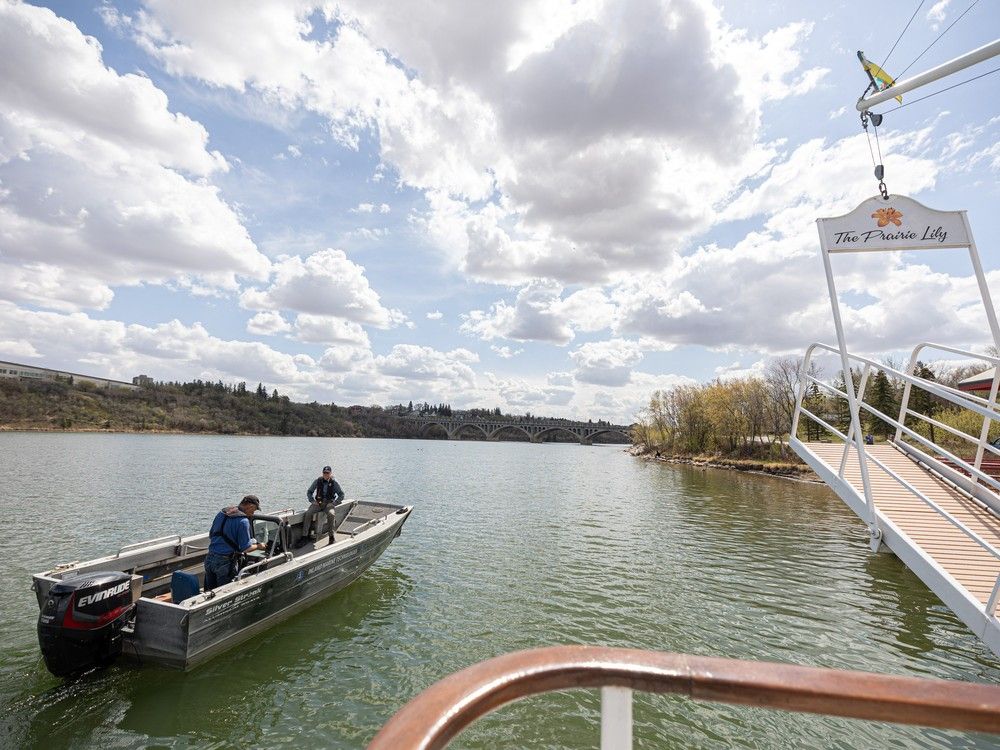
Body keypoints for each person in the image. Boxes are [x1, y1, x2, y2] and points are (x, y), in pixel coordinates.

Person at [204, 495, 266, 591]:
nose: (252, 514)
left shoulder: (222, 513)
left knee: (209, 591)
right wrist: (259, 546)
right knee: (224, 592)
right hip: (225, 563)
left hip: (209, 559)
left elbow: (211, 534)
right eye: (253, 510)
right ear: (250, 506)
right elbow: (246, 548)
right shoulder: (243, 521)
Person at [297, 466, 344, 547]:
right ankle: (304, 536)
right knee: (308, 513)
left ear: (330, 473)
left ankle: (331, 537)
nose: (326, 474)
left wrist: (334, 503)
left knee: (331, 514)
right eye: (324, 473)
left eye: (327, 473)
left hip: (329, 504)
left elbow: (341, 494)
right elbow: (309, 492)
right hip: (318, 503)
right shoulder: (317, 481)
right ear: (322, 473)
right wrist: (312, 501)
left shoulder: (334, 482)